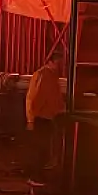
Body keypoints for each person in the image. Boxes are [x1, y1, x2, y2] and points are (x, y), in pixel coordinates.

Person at [24, 55, 65, 183]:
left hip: (47, 116)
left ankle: (37, 175)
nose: (60, 65)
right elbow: (36, 98)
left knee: (44, 149)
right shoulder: (45, 75)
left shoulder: (51, 76)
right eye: (58, 62)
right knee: (40, 149)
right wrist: (32, 118)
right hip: (42, 117)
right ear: (51, 62)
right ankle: (35, 176)